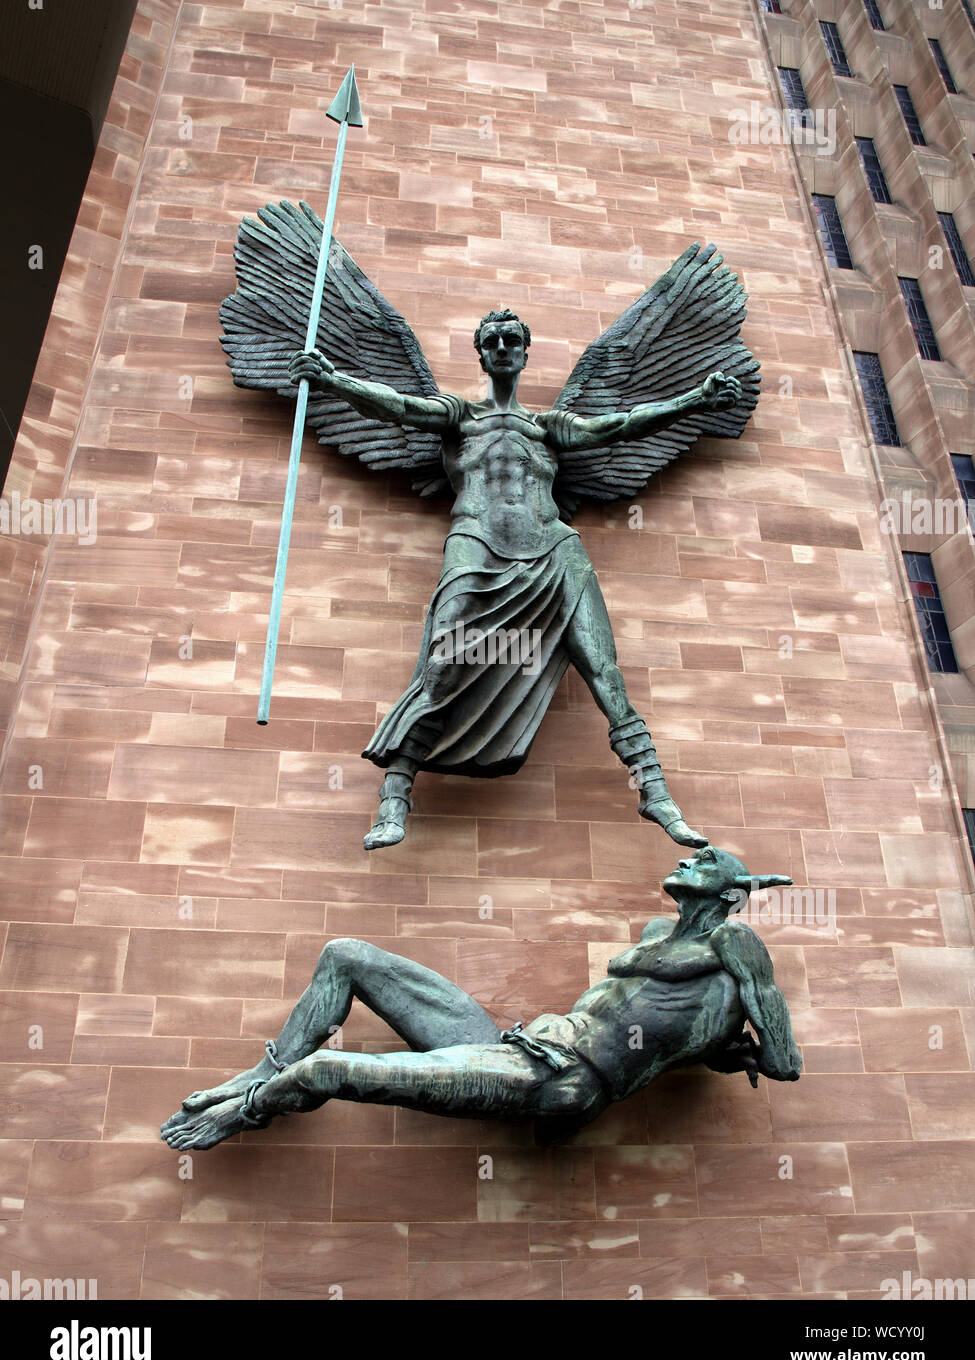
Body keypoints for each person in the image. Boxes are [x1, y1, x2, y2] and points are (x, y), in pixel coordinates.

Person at [287, 310, 743, 851]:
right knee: (443, 664)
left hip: (554, 550)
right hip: (476, 547)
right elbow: (401, 407)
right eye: (493, 341)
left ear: (526, 353)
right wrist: (333, 380)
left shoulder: (549, 426)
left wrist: (693, 400)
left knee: (603, 670)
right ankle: (394, 795)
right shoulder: (458, 416)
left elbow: (620, 424)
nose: (503, 347)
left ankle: (654, 790)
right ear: (481, 355)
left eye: (513, 340)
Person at [161, 846, 802, 1151]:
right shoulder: (660, 933)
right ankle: (267, 1072)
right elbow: (663, 1026)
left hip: (562, 1078)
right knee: (347, 955)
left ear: (730, 893)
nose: (691, 858)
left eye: (706, 860)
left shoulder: (737, 943)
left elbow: (781, 1061)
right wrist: (708, 1047)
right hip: (517, 1045)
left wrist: (732, 1043)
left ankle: (243, 1113)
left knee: (331, 1070)